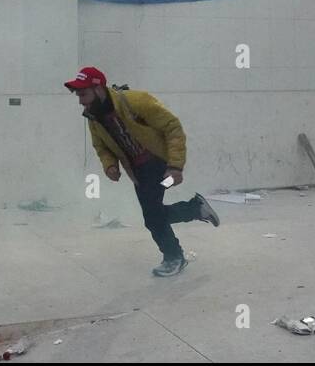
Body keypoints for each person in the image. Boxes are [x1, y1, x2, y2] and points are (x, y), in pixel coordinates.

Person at [65, 67, 219, 277]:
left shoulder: (135, 101)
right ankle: (195, 209)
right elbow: (101, 146)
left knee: (152, 215)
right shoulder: (94, 117)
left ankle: (174, 255)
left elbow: (173, 127)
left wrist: (175, 166)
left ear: (98, 88)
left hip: (160, 167)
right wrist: (110, 165)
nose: (80, 101)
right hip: (138, 172)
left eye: (83, 94)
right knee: (153, 214)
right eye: (78, 95)